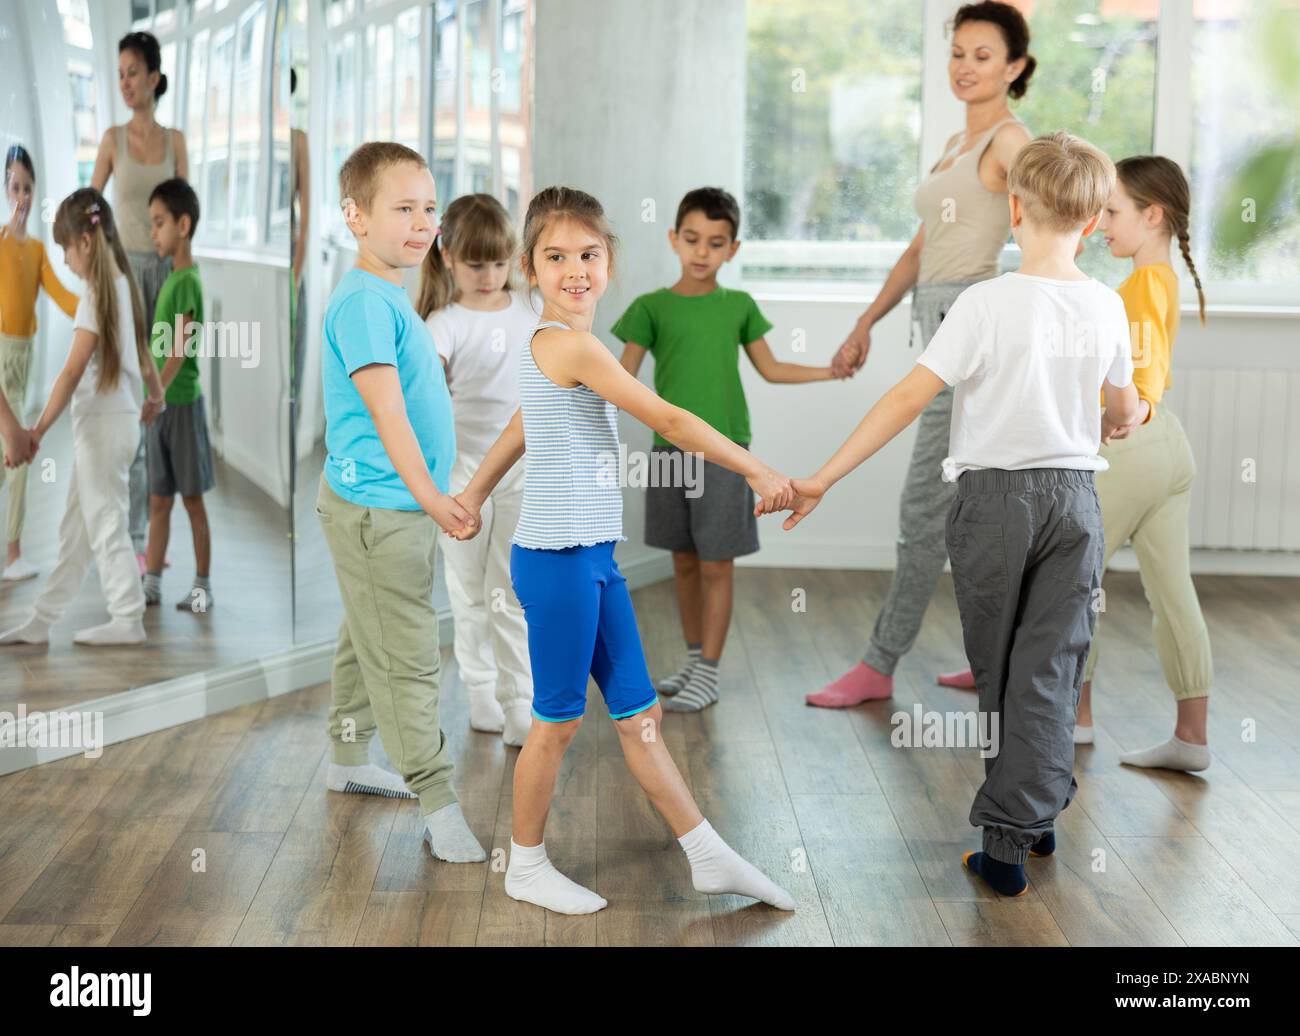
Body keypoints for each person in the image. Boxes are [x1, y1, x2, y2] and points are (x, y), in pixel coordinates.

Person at [775, 133, 1139, 897]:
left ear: (1015, 210)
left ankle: (1007, 842)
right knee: (1052, 666)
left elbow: (909, 397)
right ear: (1092, 218)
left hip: (993, 506)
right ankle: (1030, 818)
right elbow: (1121, 404)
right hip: (1075, 503)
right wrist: (1119, 417)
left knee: (1000, 670)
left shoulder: (984, 302)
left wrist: (824, 478)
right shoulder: (1105, 305)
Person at [453, 186, 797, 915]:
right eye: (556, 256)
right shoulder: (567, 342)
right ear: (529, 266)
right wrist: (756, 468)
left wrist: (476, 493)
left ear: (609, 259)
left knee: (641, 715)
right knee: (558, 720)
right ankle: (524, 863)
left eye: (589, 254)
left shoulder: (561, 343)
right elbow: (666, 415)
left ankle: (707, 855)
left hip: (593, 559)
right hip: (556, 561)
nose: (575, 268)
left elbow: (522, 422)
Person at [810, 0, 1034, 707]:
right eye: (959, 52)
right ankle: (993, 657)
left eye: (983, 56)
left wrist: (1016, 305)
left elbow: (1050, 211)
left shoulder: (1008, 141)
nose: (965, 66)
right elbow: (918, 249)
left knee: (923, 509)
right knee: (972, 507)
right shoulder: (953, 146)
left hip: (973, 327)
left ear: (1015, 68)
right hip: (939, 321)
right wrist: (865, 322)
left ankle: (879, 664)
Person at [316, 141, 485, 863]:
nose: (422, 223)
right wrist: (436, 497)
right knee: (409, 655)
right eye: (403, 208)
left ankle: (348, 757)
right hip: (380, 513)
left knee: (367, 633)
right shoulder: (361, 301)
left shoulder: (388, 294)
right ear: (355, 216)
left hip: (389, 509)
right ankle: (439, 801)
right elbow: (387, 413)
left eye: (428, 208)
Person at [613, 186, 839, 713]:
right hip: (668, 454)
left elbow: (773, 368)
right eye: (692, 239)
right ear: (673, 238)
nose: (702, 251)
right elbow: (620, 378)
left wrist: (831, 369)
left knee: (717, 562)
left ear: (733, 249)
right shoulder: (650, 307)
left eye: (716, 243)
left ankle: (709, 671)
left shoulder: (738, 305)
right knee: (685, 560)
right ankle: (694, 661)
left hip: (727, 453)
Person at [0, 189, 166, 647]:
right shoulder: (123, 287)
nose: (67, 262)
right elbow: (145, 356)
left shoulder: (97, 294)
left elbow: (72, 372)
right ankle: (42, 619)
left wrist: (35, 431)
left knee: (106, 521)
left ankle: (127, 615)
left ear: (85, 244)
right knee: (75, 531)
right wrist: (156, 397)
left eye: (66, 251)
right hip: (116, 424)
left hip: (101, 429)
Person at [418, 193, 536, 746]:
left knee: (510, 590)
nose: (489, 276)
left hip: (520, 469)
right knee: (467, 591)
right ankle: (480, 692)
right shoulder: (443, 323)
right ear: (447, 257)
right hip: (463, 475)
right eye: (476, 263)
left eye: (498, 262)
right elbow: (419, 382)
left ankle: (520, 700)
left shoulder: (531, 311)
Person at [91, 30, 189, 573]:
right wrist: (103, 262)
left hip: (168, 277)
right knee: (132, 403)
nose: (125, 82)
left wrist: (186, 278)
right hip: (125, 278)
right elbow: (90, 207)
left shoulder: (177, 141)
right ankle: (127, 533)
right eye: (120, 74)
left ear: (154, 77)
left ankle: (153, 534)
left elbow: (186, 217)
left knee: (162, 408)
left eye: (133, 72)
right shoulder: (111, 139)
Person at [0, 144, 79, 581]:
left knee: (8, 454)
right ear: (6, 189)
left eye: (29, 187)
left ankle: (12, 552)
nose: (23, 195)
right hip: (2, 355)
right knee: (19, 452)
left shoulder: (35, 251)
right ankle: (13, 556)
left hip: (24, 359)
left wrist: (94, 306)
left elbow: (62, 295)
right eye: (16, 186)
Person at [142, 177, 216, 613]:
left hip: (180, 404)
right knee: (157, 498)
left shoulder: (187, 279)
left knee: (191, 499)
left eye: (159, 223)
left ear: (182, 225)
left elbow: (180, 345)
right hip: (162, 406)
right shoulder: (172, 277)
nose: (154, 232)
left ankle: (202, 587)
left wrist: (157, 394)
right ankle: (151, 584)